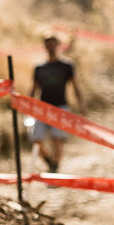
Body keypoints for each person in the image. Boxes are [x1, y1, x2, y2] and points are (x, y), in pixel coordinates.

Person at [28, 32, 85, 173]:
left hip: (60, 106)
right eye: (48, 44)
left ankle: (55, 167)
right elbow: (33, 88)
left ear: (58, 46)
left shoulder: (67, 66)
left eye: (53, 44)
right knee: (36, 139)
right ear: (45, 46)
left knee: (57, 139)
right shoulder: (39, 67)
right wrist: (26, 105)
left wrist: (82, 104)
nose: (51, 47)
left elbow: (76, 86)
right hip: (42, 108)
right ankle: (49, 161)